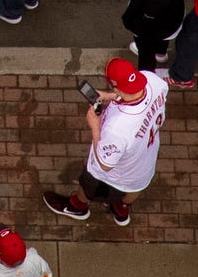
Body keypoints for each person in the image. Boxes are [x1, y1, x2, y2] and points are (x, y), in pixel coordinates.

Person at [41, 58, 163, 224]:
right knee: (135, 188)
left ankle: (78, 207)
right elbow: (136, 94)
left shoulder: (117, 129)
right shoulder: (153, 80)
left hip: (113, 176)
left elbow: (105, 164)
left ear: (115, 86)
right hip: (144, 162)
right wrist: (110, 96)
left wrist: (95, 127)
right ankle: (121, 209)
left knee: (88, 185)